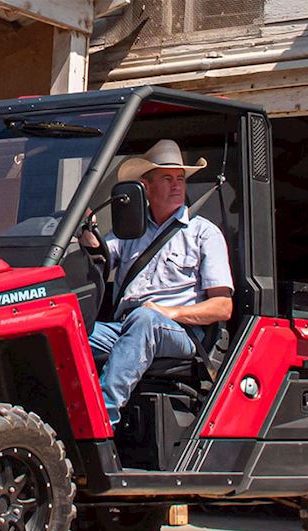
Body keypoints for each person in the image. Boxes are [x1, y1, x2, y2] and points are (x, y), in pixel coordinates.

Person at [81, 140, 234, 426]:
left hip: (180, 333)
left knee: (144, 319)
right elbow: (101, 256)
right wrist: (87, 232)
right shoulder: (129, 231)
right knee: (72, 333)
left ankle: (102, 420)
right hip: (126, 328)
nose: (177, 185)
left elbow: (223, 307)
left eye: (180, 179)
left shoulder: (204, 233)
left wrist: (169, 313)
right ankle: (53, 417)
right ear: (145, 187)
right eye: (167, 178)